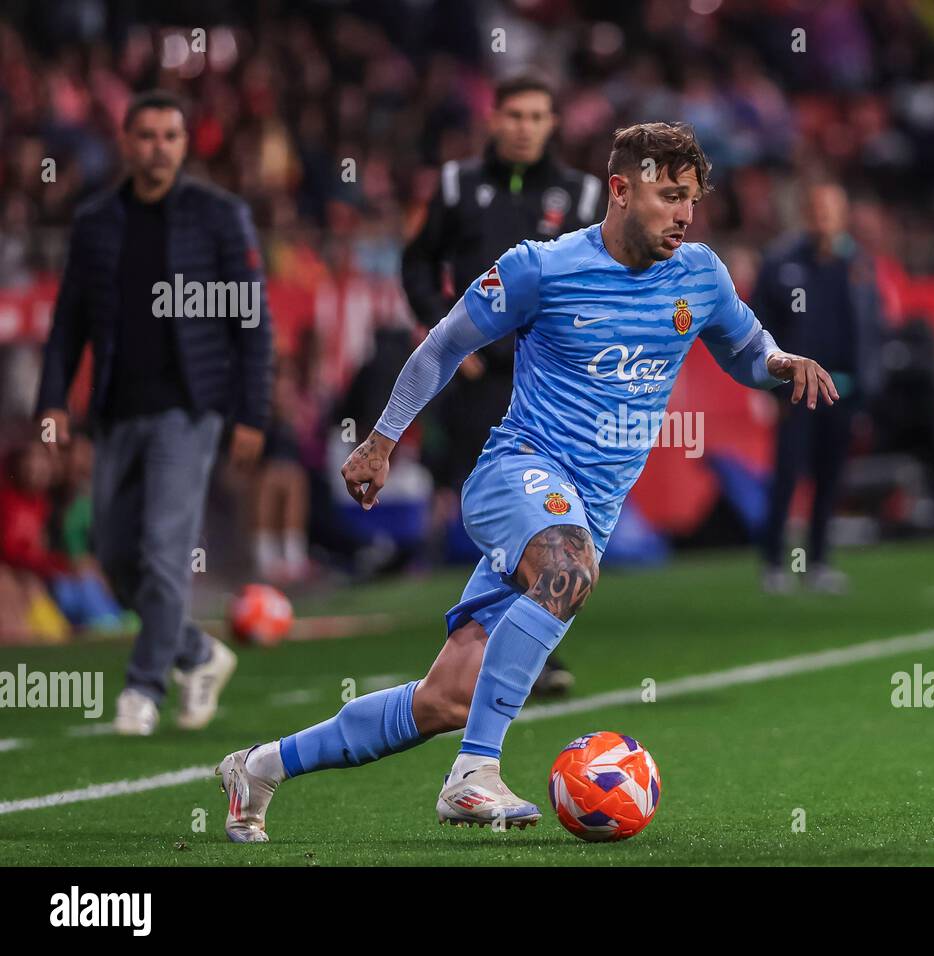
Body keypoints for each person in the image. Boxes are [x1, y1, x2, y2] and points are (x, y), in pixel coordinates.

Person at [216, 122, 839, 841]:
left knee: (444, 699)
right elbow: (444, 345)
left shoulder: (699, 274)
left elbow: (744, 346)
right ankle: (473, 774)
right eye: (669, 197)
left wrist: (781, 362)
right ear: (619, 189)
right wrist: (381, 441)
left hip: (586, 512)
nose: (684, 216)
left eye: (691, 200)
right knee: (571, 568)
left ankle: (260, 768)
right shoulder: (539, 269)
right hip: (517, 474)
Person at [35, 89, 273, 735]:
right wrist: (53, 403)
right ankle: (196, 653)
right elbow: (67, 327)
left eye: (170, 135)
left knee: (165, 551)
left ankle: (141, 690)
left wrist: (252, 412)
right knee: (114, 558)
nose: (158, 147)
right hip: (114, 412)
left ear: (185, 143)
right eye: (146, 135)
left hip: (189, 411)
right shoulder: (96, 222)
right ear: (125, 142)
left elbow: (251, 321)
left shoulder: (219, 216)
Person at [403, 75, 603, 696]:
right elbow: (416, 261)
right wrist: (445, 334)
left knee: (548, 514)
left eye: (537, 115)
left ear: (553, 124)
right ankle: (501, 643)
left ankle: (520, 644)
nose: (524, 126)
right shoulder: (459, 184)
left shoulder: (584, 192)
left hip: (552, 385)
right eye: (514, 114)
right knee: (492, 511)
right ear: (494, 119)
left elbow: (606, 278)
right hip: (480, 376)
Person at [754, 181, 881, 594]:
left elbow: (871, 329)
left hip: (841, 390)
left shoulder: (858, 265)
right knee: (788, 475)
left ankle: (819, 561)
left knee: (830, 478)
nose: (824, 217)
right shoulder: (782, 262)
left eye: (831, 208)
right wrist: (774, 384)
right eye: (817, 208)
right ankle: (774, 560)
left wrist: (867, 384)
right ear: (807, 213)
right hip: (795, 390)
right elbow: (758, 326)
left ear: (843, 214)